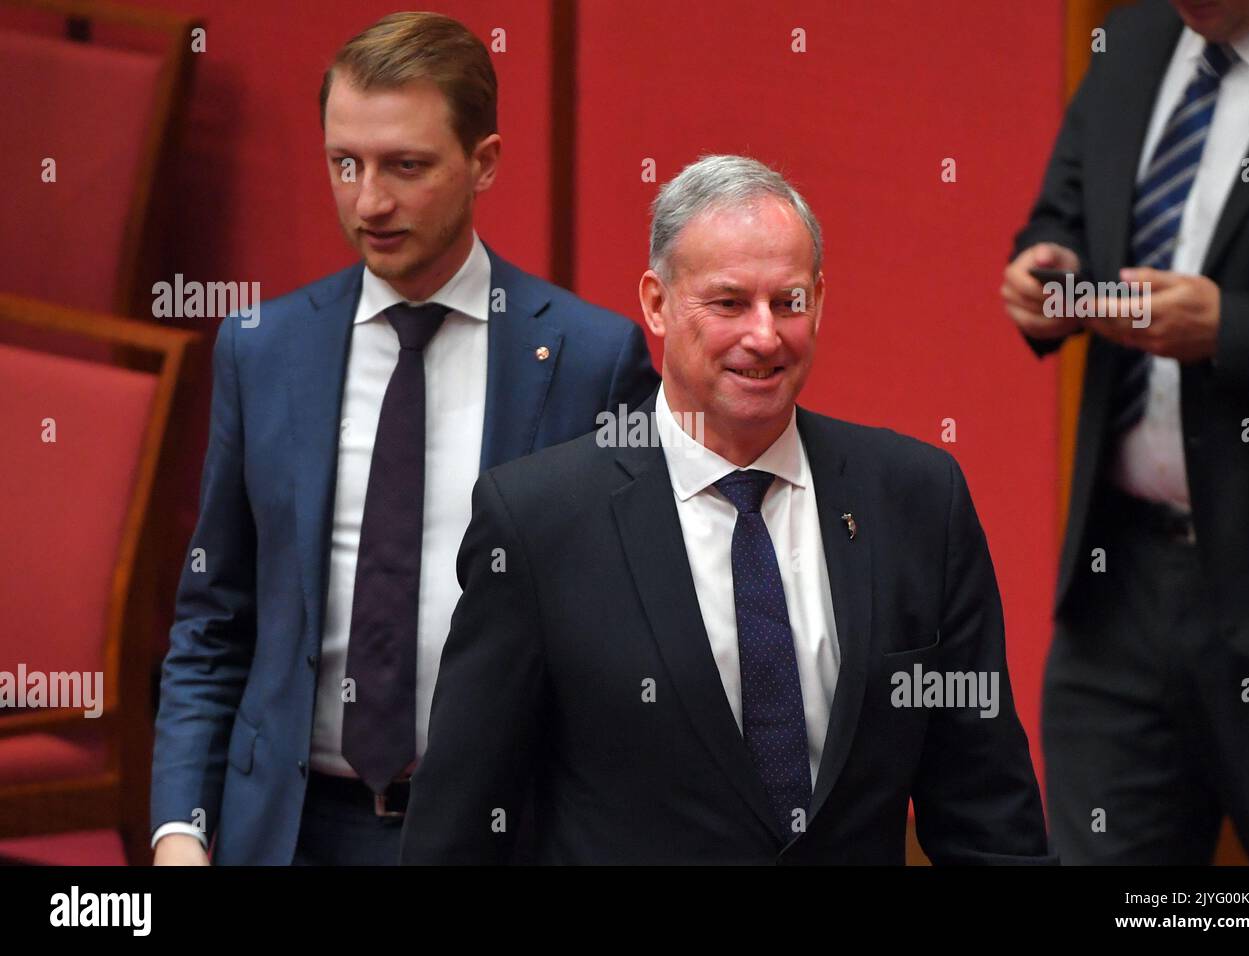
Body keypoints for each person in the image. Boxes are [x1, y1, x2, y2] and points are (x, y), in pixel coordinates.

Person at [400, 155, 1053, 865]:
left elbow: (987, 811)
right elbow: (459, 829)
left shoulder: (917, 499)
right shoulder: (537, 522)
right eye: (730, 303)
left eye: (790, 302)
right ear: (656, 303)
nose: (766, 336)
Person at [151, 12, 658, 866]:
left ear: (484, 163)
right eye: (344, 163)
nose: (369, 201)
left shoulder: (589, 361)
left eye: (406, 166)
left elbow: (635, 644)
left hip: (492, 836)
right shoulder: (262, 349)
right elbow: (214, 620)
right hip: (283, 831)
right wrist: (178, 833)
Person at [1003, 0, 1249, 863]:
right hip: (1118, 587)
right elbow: (1063, 215)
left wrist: (1231, 330)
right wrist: (1046, 273)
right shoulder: (1132, 40)